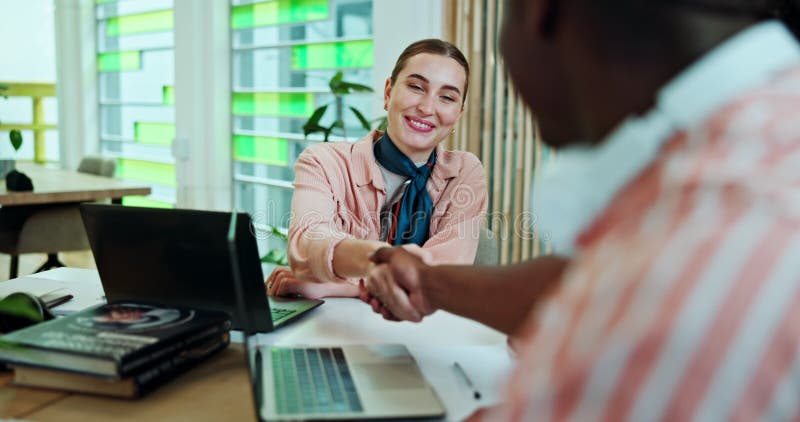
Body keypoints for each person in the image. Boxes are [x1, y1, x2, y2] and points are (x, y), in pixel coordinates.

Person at [364, 0, 800, 419]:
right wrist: (430, 283)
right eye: (416, 86)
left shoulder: (701, 259)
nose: (428, 107)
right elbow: (585, 275)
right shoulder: (753, 145)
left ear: (539, 10)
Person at [265, 39, 488, 299]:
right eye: (416, 87)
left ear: (458, 115)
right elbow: (308, 242)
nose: (427, 108)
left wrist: (336, 286)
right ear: (388, 92)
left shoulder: (465, 173)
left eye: (447, 97)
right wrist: (382, 261)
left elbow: (445, 276)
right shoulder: (323, 162)